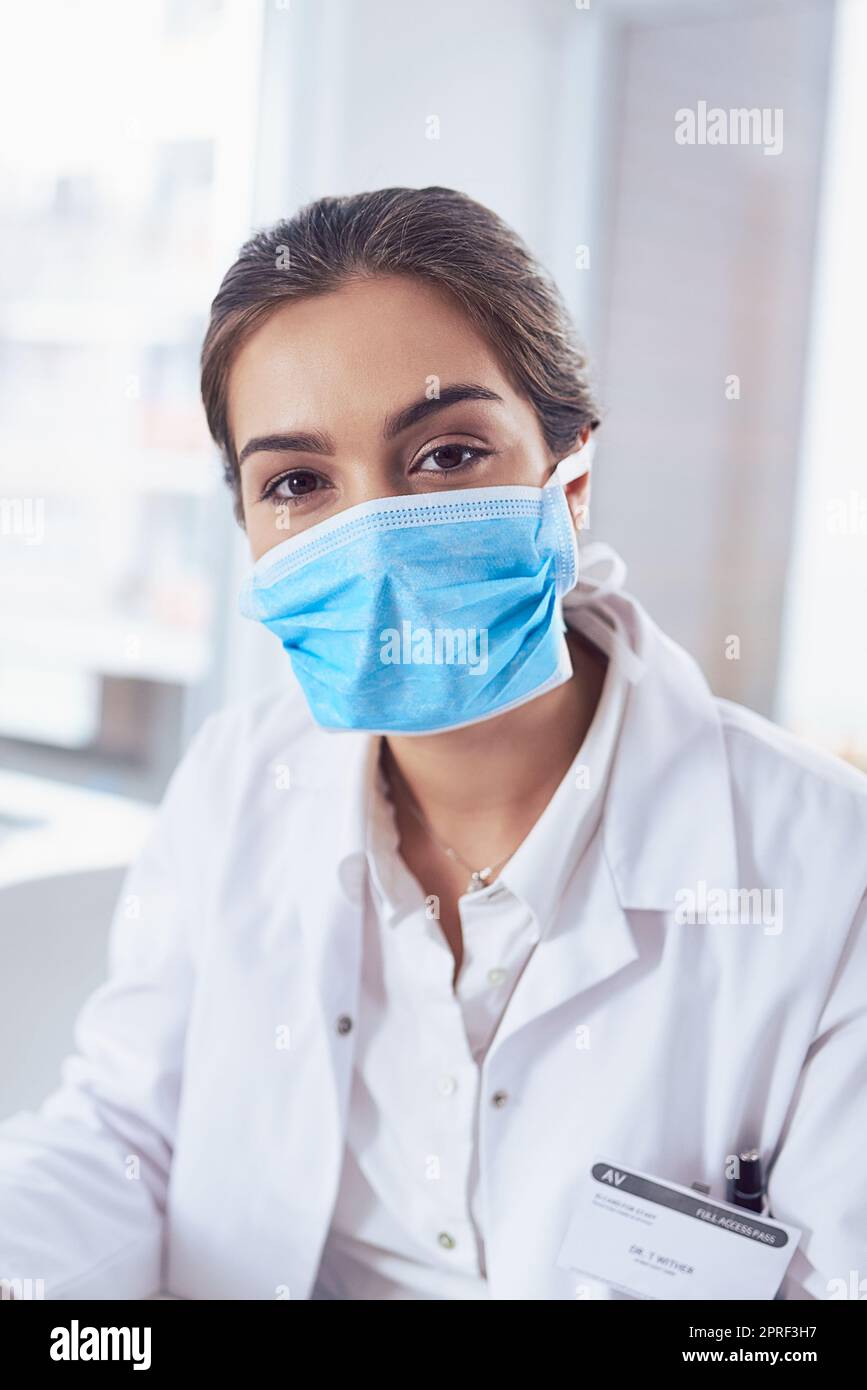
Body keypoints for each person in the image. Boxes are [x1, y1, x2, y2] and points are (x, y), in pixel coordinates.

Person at [1, 187, 865, 1301]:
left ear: (573, 479)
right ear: (250, 535)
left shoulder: (826, 870)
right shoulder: (236, 780)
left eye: (447, 454)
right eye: (299, 483)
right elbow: (126, 1134)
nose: (373, 534)